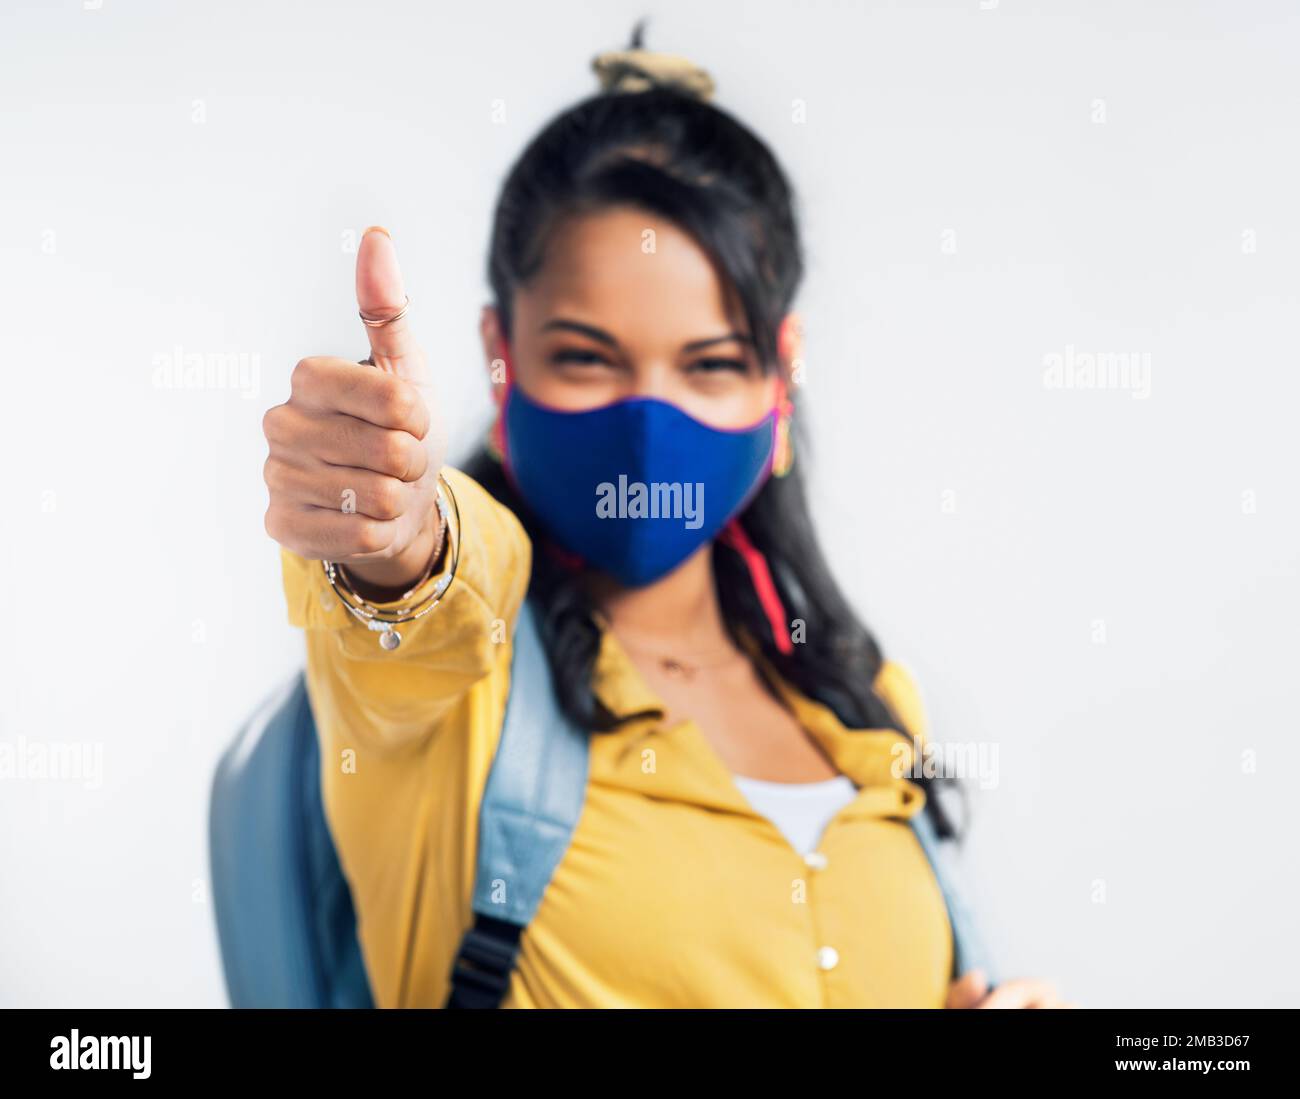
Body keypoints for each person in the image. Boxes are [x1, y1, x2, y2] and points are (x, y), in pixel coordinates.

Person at [261, 24, 1071, 1009]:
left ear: (782, 372)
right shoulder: (449, 693)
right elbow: (408, 606)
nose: (649, 429)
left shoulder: (866, 700)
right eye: (587, 356)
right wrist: (392, 528)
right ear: (499, 353)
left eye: (711, 363)